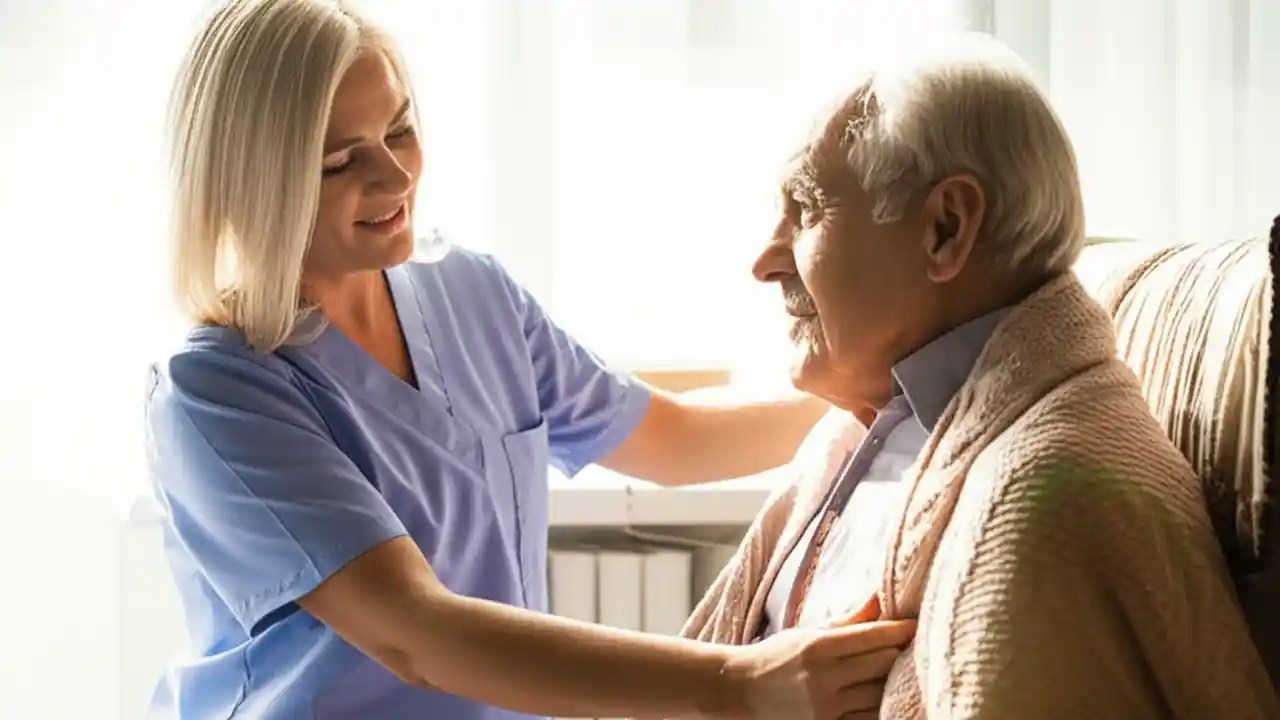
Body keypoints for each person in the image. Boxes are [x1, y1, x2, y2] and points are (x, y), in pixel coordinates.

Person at [680, 33, 1279, 718]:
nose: (765, 261)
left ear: (945, 228)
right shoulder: (852, 437)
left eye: (807, 210)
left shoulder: (1034, 499)